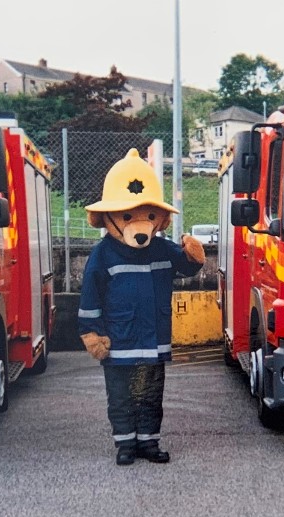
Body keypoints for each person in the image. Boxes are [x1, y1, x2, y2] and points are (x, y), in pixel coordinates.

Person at [78, 149, 205, 465]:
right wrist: (93, 334)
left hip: (152, 340)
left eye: (149, 216)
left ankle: (148, 443)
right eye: (127, 215)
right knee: (120, 397)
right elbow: (90, 298)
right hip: (118, 343)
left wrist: (193, 253)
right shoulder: (103, 254)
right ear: (108, 217)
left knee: (150, 396)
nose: (140, 225)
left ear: (160, 218)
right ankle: (125, 444)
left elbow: (188, 268)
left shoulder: (162, 248)